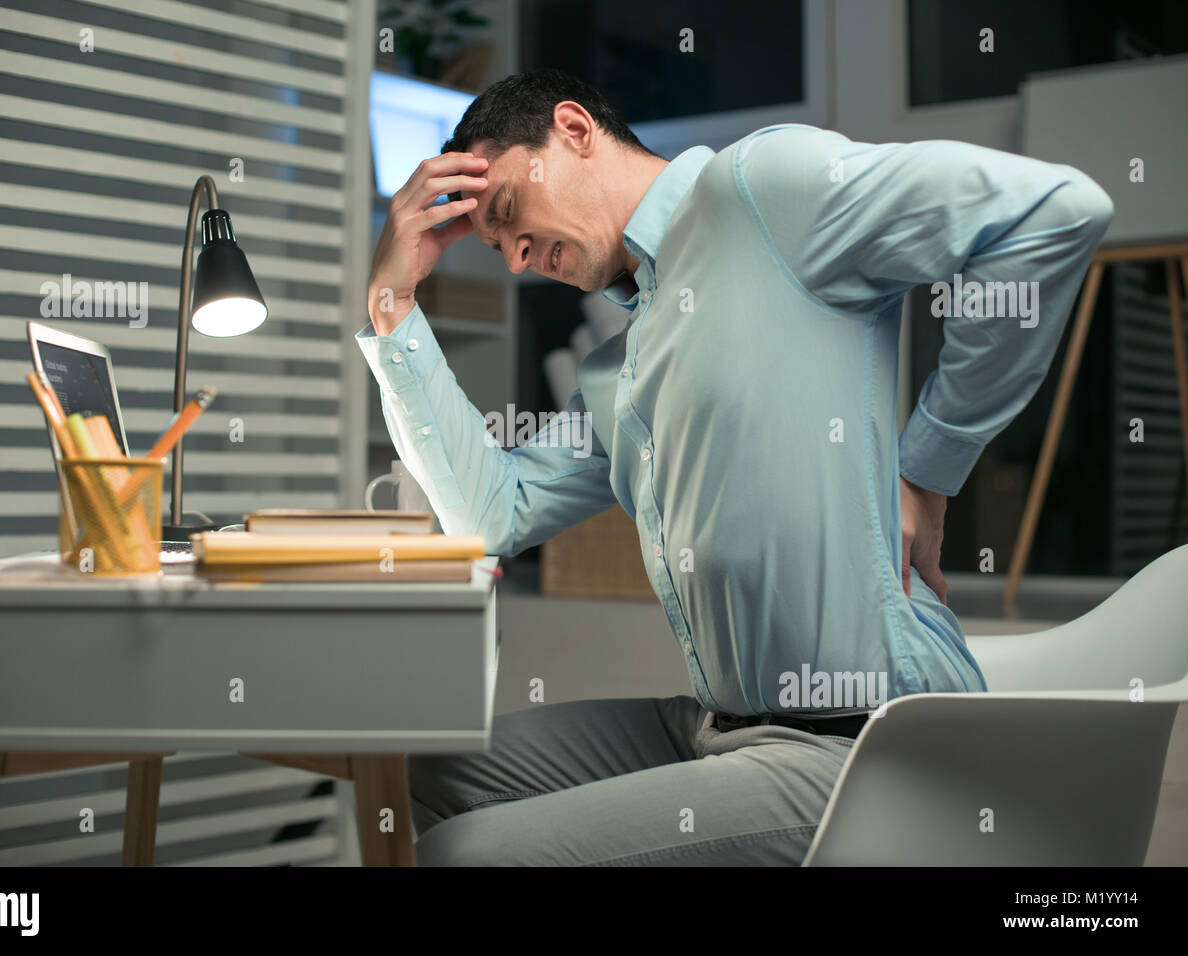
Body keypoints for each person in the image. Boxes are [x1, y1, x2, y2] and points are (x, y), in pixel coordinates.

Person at [355, 68, 1113, 865]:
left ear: (574, 130)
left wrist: (931, 465)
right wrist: (390, 304)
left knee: (473, 854)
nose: (515, 258)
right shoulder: (619, 370)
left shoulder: (759, 188)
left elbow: (1053, 212)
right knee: (445, 771)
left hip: (871, 742)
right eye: (498, 246)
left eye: (508, 212)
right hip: (721, 726)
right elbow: (491, 514)